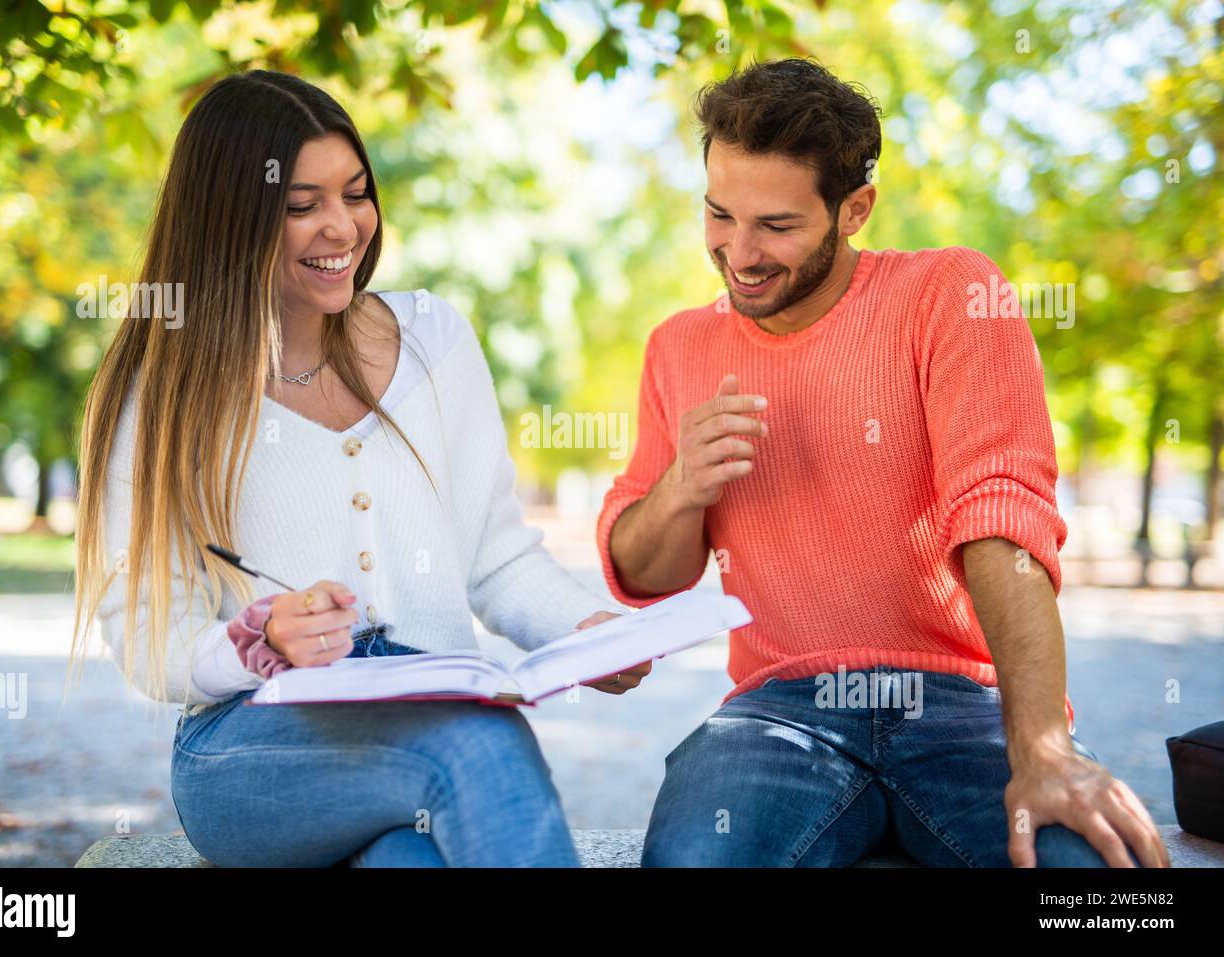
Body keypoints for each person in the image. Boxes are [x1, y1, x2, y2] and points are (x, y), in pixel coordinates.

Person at [598, 58, 1168, 868]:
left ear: (854, 209)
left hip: (963, 704)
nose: (739, 252)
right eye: (720, 214)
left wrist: (1044, 747)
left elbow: (1001, 513)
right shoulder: (679, 345)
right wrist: (681, 488)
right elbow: (643, 570)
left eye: (778, 225)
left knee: (1093, 882)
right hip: (776, 712)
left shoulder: (952, 294)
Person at [68, 70, 647, 868]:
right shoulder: (160, 396)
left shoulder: (434, 341)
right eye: (302, 205)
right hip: (252, 750)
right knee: (479, 740)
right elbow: (145, 635)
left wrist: (586, 633)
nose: (343, 227)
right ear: (227, 219)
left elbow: (497, 560)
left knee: (408, 860)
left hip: (425, 729)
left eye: (356, 193)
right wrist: (259, 636)